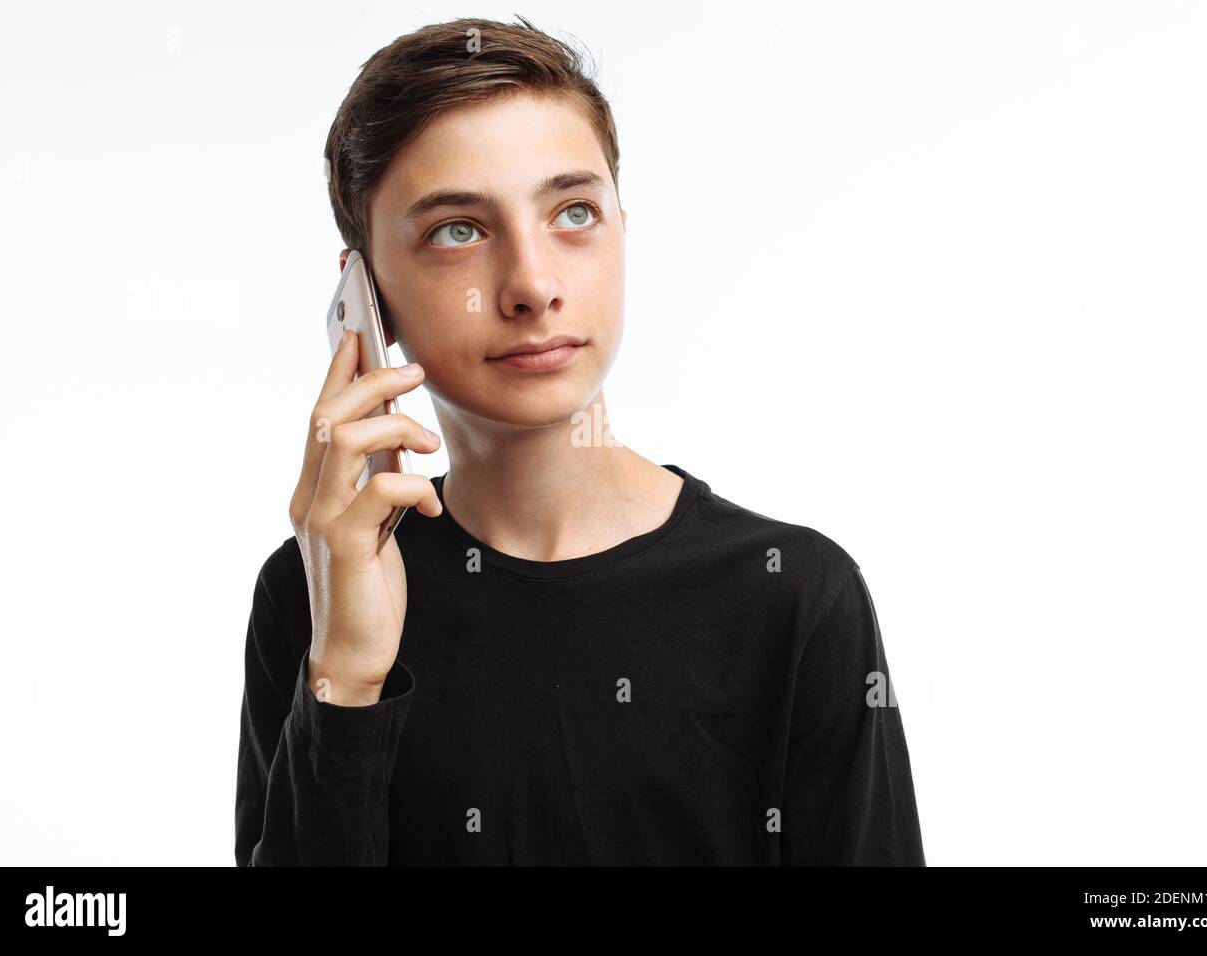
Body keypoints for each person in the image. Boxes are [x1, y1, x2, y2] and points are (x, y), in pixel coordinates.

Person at [235, 15, 925, 866]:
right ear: (366, 300)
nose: (531, 284)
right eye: (459, 229)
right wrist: (346, 680)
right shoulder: (314, 593)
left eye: (572, 211)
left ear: (622, 233)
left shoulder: (795, 595)